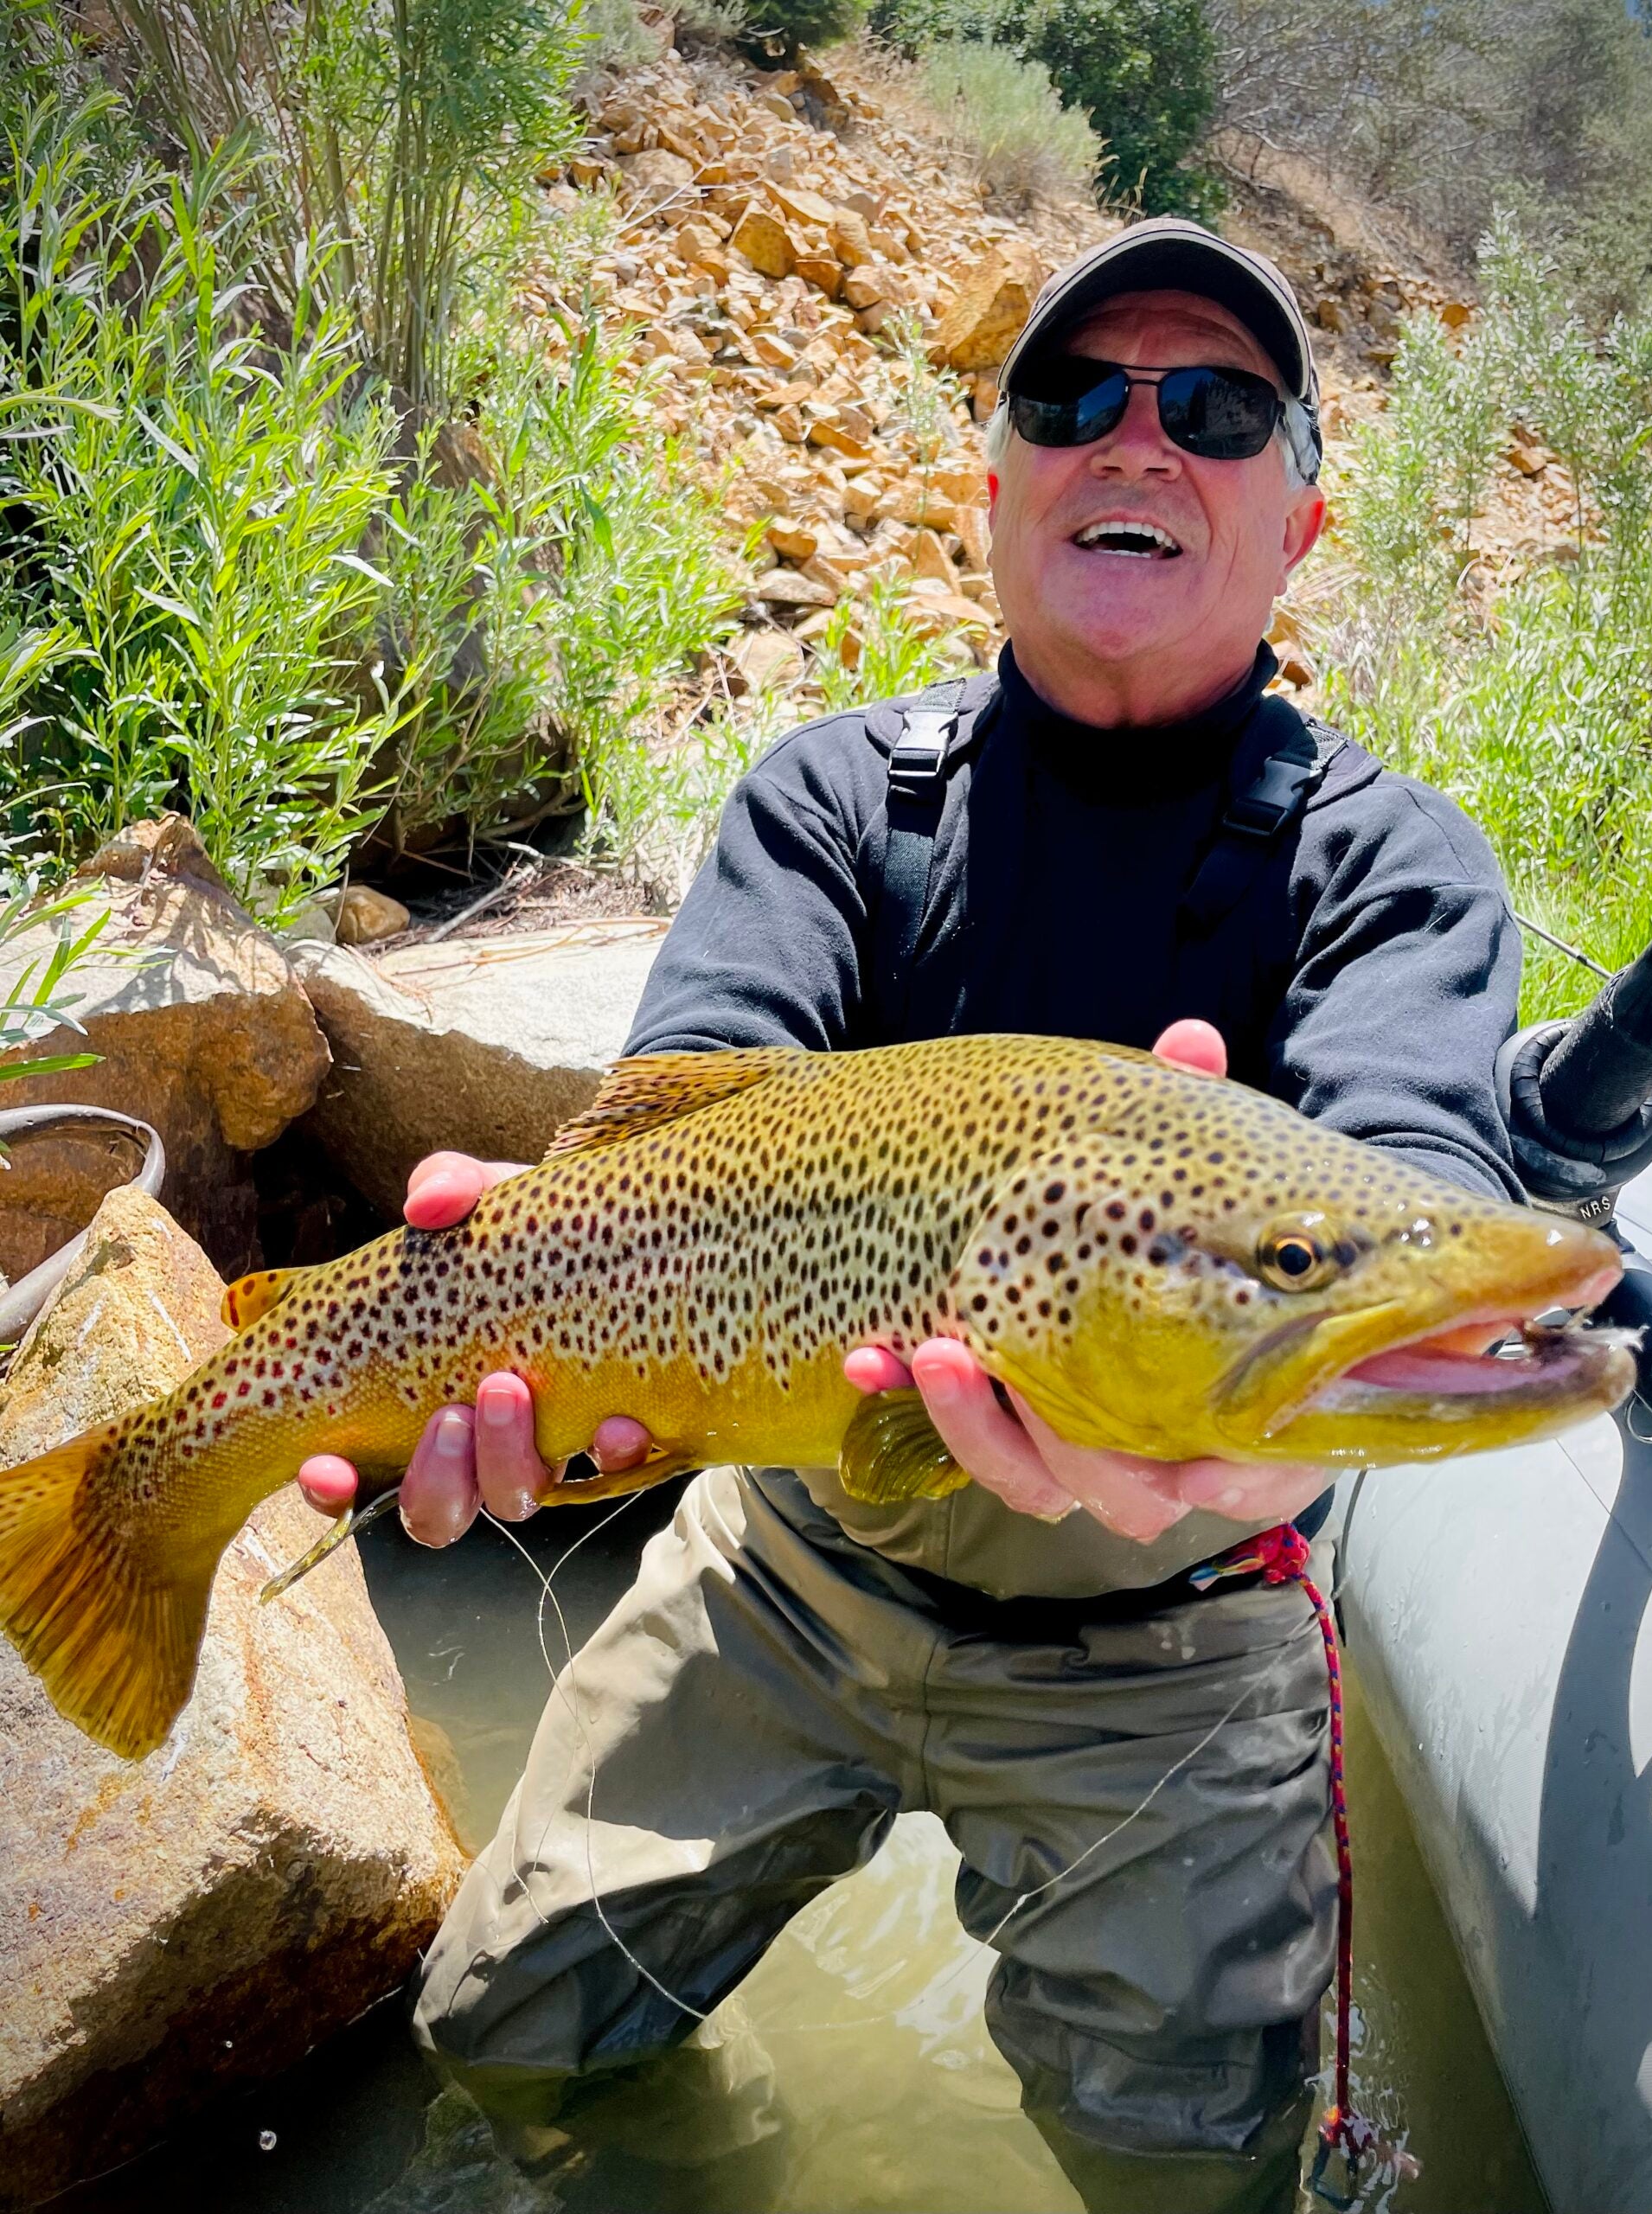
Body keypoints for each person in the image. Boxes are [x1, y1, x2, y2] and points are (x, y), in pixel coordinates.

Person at [298, 219, 1521, 2210]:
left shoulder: (1389, 867)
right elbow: (669, 1151)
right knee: (506, 2037)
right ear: (994, 485)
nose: (1133, 440)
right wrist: (503, 1320)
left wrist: (1218, 1435)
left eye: (1211, 408)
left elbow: (1425, 1200)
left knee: (1191, 2183)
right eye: (1069, 397)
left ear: (1300, 521)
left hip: (1174, 1620)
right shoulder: (832, 800)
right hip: (795, 1561)